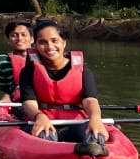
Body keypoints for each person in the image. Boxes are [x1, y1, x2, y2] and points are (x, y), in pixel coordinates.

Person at [19, 19, 109, 151]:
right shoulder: (28, 70)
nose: (49, 47)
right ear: (36, 45)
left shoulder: (83, 70)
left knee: (95, 134)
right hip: (43, 121)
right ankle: (54, 157)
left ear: (64, 42)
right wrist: (40, 116)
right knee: (45, 134)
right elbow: (29, 103)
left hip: (76, 123)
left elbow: (90, 100)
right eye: (43, 42)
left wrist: (95, 118)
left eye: (54, 41)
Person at [0, 20, 34, 100]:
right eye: (14, 35)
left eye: (24, 35)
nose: (20, 38)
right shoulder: (2, 60)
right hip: (18, 102)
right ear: (8, 40)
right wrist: (6, 97)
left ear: (32, 39)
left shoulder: (44, 58)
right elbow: (6, 88)